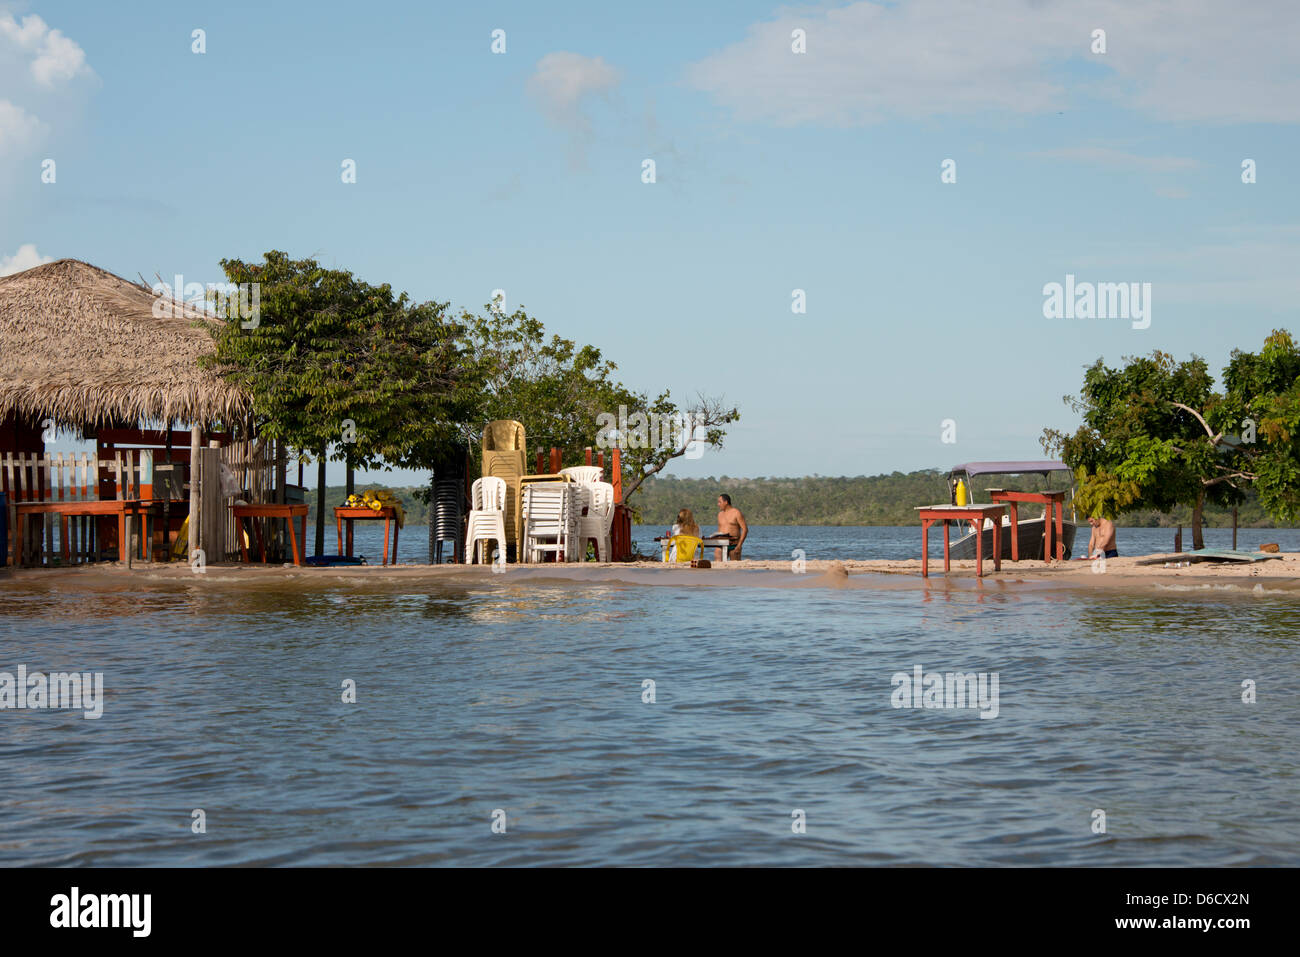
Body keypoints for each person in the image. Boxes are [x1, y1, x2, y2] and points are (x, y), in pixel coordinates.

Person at [714, 493, 748, 561]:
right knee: (718, 564)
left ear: (726, 502)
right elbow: (719, 530)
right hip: (721, 544)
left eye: (719, 502)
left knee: (735, 568)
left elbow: (745, 530)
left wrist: (739, 545)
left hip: (734, 545)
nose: (718, 504)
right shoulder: (720, 514)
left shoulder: (736, 513)